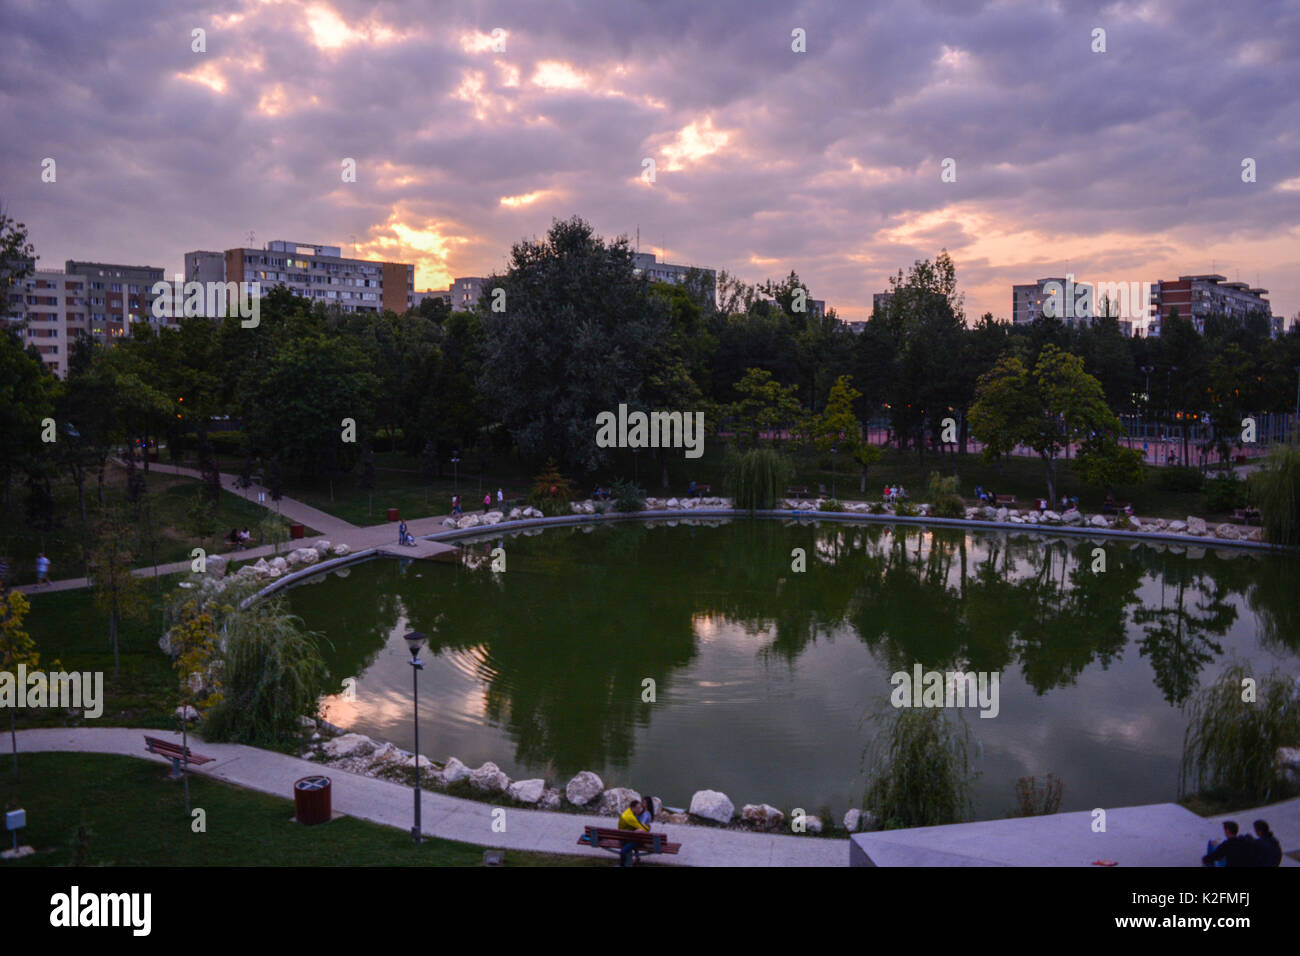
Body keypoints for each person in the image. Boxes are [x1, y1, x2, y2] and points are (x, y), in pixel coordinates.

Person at [617, 798, 651, 866]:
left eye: (640, 808)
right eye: (638, 808)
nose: (640, 809)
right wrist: (648, 827)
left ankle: (635, 858)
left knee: (636, 834)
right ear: (633, 808)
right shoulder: (630, 817)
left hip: (624, 837)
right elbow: (645, 829)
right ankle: (622, 864)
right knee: (639, 835)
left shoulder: (627, 812)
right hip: (625, 839)